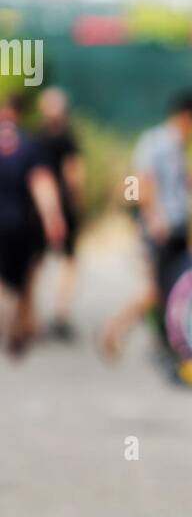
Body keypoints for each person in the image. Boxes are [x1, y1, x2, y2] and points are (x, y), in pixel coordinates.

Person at [100, 92, 192, 359]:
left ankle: (166, 343)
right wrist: (153, 219)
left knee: (171, 289)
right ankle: (115, 328)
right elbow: (141, 182)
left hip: (177, 229)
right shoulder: (156, 141)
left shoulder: (179, 146)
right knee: (156, 291)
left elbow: (181, 185)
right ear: (186, 117)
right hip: (162, 231)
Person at [0, 93, 66, 356]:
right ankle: (16, 326)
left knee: (5, 281)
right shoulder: (29, 146)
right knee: (21, 279)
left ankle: (12, 325)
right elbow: (42, 185)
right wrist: (53, 219)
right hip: (19, 226)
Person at [35, 86, 85, 339]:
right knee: (68, 261)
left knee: (37, 262)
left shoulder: (37, 137)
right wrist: (76, 203)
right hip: (63, 206)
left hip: (37, 207)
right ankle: (60, 313)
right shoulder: (67, 138)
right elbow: (73, 174)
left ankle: (30, 314)